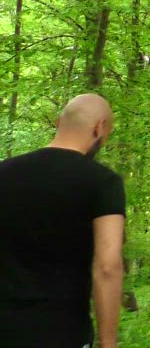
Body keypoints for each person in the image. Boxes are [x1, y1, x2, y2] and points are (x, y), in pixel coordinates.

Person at [0, 93, 126, 348]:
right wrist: (108, 343)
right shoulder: (103, 182)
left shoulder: (4, 173)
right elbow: (107, 266)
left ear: (58, 122)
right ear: (99, 127)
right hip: (63, 333)